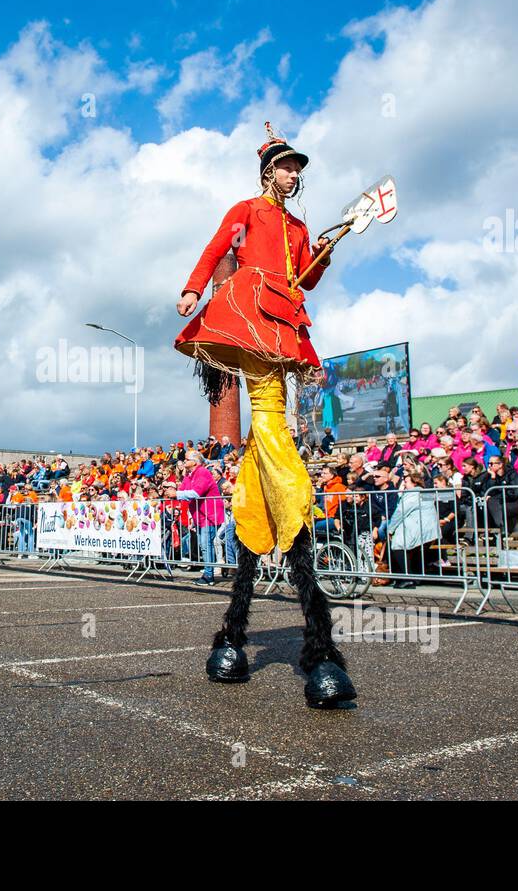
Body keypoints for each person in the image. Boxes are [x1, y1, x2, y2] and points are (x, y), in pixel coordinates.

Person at [173, 122, 353, 706]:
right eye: (286, 166)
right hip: (249, 311)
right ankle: (318, 644)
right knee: (275, 434)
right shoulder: (246, 210)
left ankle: (232, 631)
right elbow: (214, 248)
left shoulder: (299, 226)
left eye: (299, 167)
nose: (294, 174)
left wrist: (329, 247)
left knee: (261, 459)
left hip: (283, 314)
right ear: (266, 170)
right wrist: (194, 289)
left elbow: (305, 277)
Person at [175, 449, 225, 584]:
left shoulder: (202, 472)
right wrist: (172, 490)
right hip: (201, 515)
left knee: (205, 545)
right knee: (204, 545)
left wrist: (176, 494)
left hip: (210, 515)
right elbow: (182, 491)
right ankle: (208, 573)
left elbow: (196, 493)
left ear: (195, 462)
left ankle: (209, 575)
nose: (184, 462)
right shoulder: (190, 475)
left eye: (186, 460)